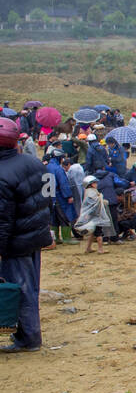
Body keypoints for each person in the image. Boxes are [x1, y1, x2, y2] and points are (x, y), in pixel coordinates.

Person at [0, 117, 52, 352]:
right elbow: (48, 197)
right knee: (30, 287)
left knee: (20, 289)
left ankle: (29, 339)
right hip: (35, 237)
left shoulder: (2, 175)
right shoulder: (35, 163)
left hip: (16, 242)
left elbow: (2, 220)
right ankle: (27, 333)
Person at [74, 175, 114, 253]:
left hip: (91, 215)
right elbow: (95, 203)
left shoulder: (88, 191)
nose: (96, 184)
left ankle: (88, 248)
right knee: (99, 233)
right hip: (95, 215)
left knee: (92, 232)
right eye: (95, 183)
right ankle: (100, 249)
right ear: (91, 184)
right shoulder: (91, 193)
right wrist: (102, 200)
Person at [45, 153, 76, 244]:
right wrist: (69, 195)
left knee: (53, 218)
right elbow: (63, 183)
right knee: (64, 217)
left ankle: (55, 238)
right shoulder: (58, 169)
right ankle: (67, 238)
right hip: (59, 196)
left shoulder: (45, 167)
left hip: (48, 196)